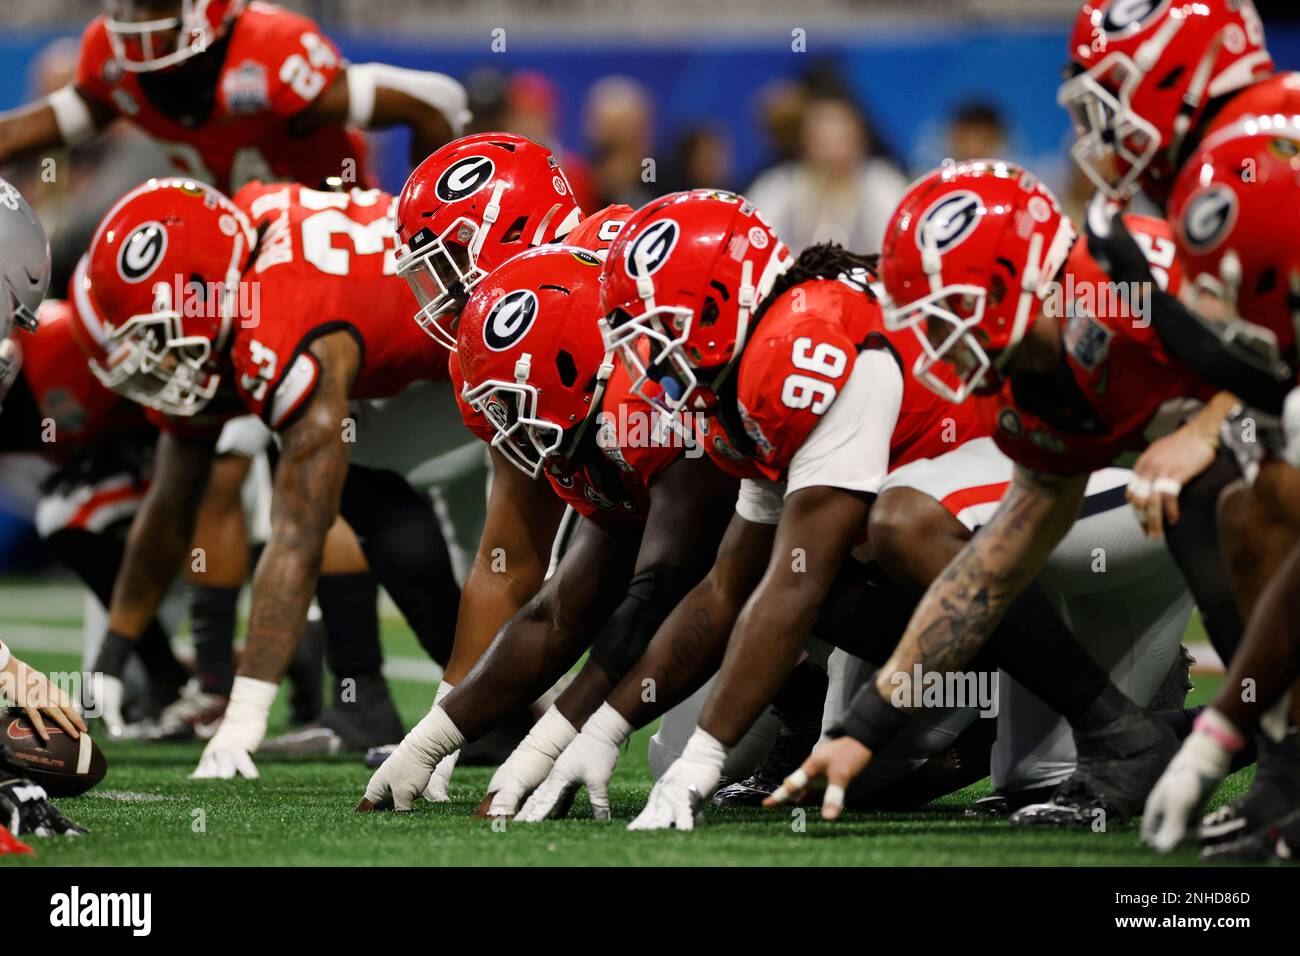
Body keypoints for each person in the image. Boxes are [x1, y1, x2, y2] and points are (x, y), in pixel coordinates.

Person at [771, 162, 1212, 827]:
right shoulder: (1026, 377)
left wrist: (1210, 428)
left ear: (1009, 278)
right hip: (1172, 514)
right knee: (1051, 779)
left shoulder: (1125, 278)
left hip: (1254, 477)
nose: (935, 342)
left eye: (946, 308)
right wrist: (863, 728)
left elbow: (1278, 360)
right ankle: (1175, 730)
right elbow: (989, 569)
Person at [73, 176, 467, 779]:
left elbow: (298, 537)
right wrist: (108, 659)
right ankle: (490, 707)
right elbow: (169, 503)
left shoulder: (279, 324)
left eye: (159, 336)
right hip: (399, 355)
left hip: (473, 346)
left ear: (208, 291)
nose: (160, 362)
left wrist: (244, 718)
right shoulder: (238, 258)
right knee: (365, 488)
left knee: (352, 494)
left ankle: (510, 705)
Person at [0, 0, 468, 193]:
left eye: (155, 4)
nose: (139, 22)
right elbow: (33, 130)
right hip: (237, 237)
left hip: (330, 230)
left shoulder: (268, 50)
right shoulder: (112, 61)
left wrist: (427, 230)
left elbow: (435, 101)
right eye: (133, 4)